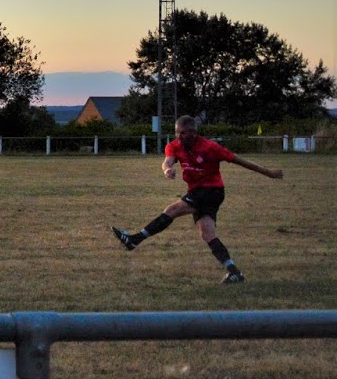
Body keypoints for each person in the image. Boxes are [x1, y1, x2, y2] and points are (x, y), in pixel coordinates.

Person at [112, 115, 283, 283]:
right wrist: (167, 170)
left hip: (211, 191)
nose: (179, 137)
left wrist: (269, 173)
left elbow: (241, 161)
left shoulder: (210, 147)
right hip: (197, 191)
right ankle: (234, 272)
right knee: (207, 234)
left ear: (193, 133)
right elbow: (167, 162)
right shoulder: (174, 145)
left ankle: (134, 240)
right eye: (177, 133)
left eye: (183, 133)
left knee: (172, 210)